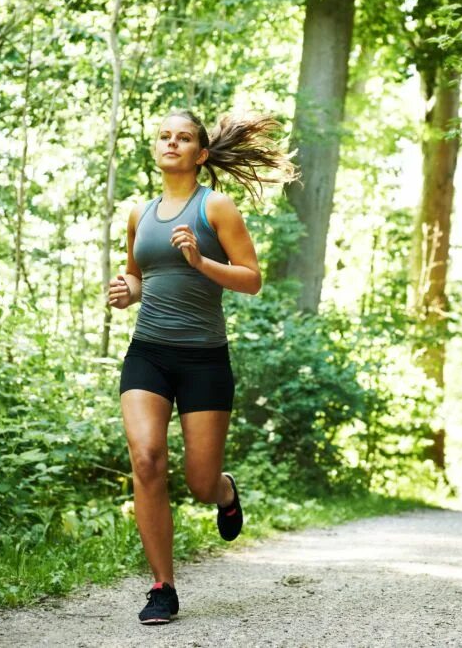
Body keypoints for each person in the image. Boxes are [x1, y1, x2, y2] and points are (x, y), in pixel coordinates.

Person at [107, 109, 296, 625]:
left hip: (203, 359)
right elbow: (140, 277)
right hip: (148, 352)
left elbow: (251, 279)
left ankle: (225, 491)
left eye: (184, 137)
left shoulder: (216, 208)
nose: (172, 143)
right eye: (164, 136)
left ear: (201, 153)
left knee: (200, 482)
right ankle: (162, 586)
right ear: (155, 148)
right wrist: (128, 292)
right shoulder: (137, 215)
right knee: (146, 459)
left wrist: (200, 263)